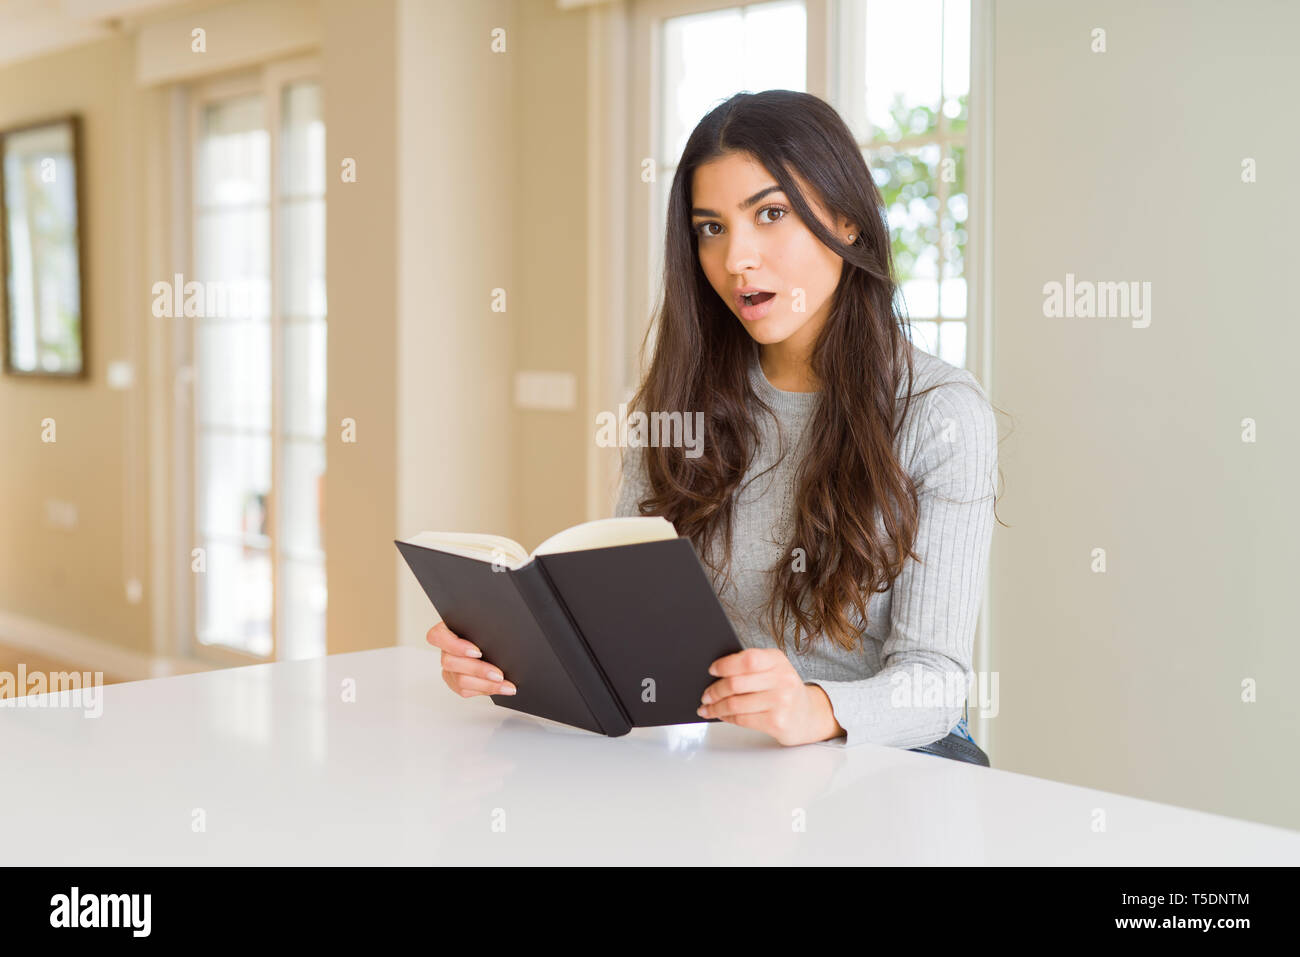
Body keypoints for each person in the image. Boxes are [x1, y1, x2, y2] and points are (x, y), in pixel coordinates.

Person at [428, 90, 999, 750]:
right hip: (725, 768)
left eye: (771, 214)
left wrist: (814, 707)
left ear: (847, 220)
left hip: (892, 773)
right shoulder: (675, 402)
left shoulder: (940, 414)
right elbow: (629, 624)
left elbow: (935, 683)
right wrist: (510, 656)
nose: (736, 260)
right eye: (712, 228)